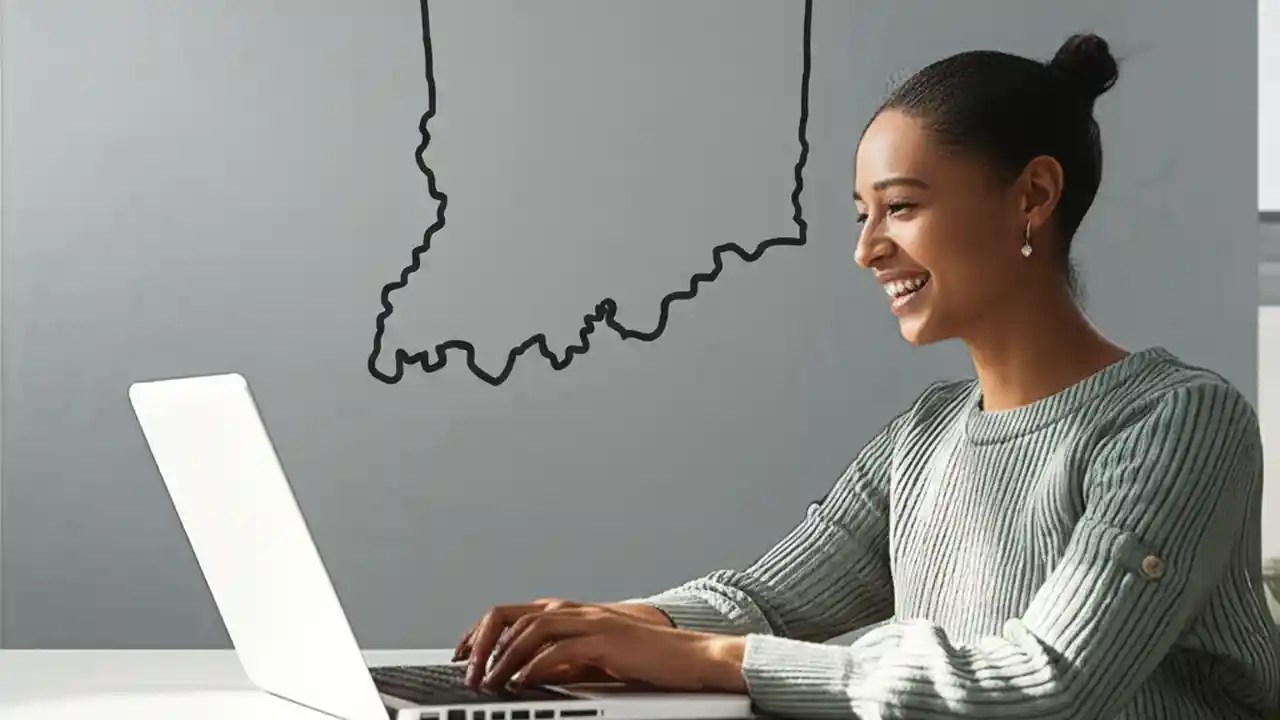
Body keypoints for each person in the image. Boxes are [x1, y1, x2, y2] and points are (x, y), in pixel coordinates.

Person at [452, 33, 1280, 718]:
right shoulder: (925, 435)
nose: (867, 249)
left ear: (1032, 195)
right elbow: (771, 601)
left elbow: (1046, 682)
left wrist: (713, 657)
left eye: (902, 207)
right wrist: (607, 625)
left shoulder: (1178, 422)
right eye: (863, 214)